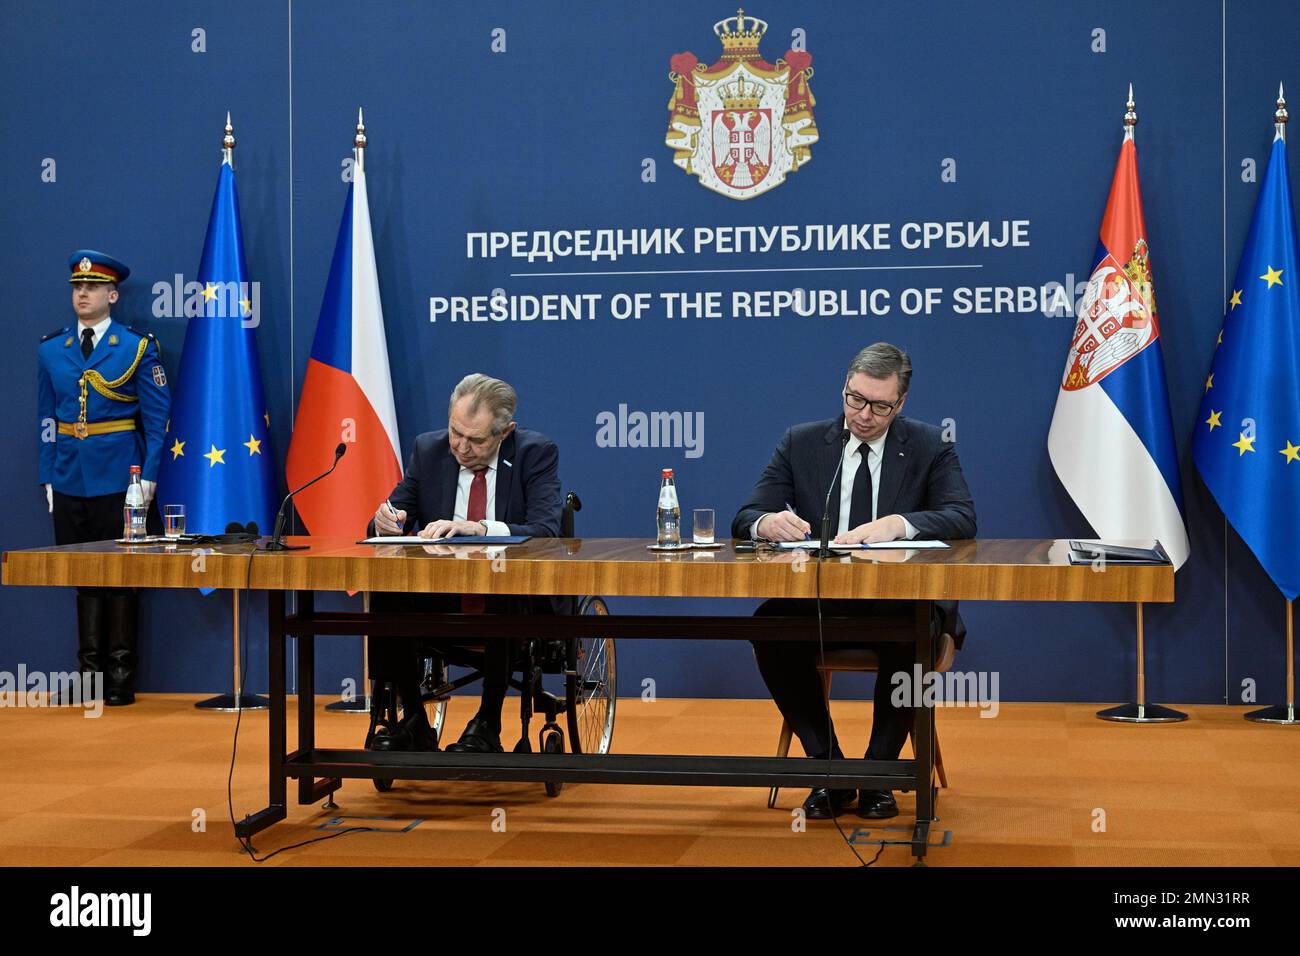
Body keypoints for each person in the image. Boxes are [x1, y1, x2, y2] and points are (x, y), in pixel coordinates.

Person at [731, 342, 976, 820]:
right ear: (844, 389)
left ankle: (879, 773)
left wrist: (898, 524)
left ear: (901, 403)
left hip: (898, 600)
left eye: (880, 406)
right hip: (820, 599)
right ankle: (828, 768)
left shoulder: (930, 445)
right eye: (855, 400)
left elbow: (962, 517)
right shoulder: (801, 442)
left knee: (917, 631)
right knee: (768, 627)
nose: (863, 415)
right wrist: (766, 524)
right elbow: (746, 515)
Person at [366, 373, 566, 753]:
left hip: (507, 596)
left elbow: (546, 530)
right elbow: (392, 515)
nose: (461, 446)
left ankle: (487, 723)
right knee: (388, 589)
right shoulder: (430, 450)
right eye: (456, 432)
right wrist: (384, 520)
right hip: (439, 594)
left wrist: (479, 529)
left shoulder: (533, 453)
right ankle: (413, 720)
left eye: (476, 439)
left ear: (506, 432)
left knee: (504, 587)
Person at [37, 250, 171, 706]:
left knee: (120, 576)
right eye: (77, 286)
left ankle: (119, 674)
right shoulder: (52, 348)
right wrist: (48, 477)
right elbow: (46, 421)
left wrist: (148, 478)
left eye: (92, 287)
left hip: (120, 478)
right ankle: (88, 674)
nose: (82, 293)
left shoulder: (135, 347)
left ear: (112, 295)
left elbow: (156, 420)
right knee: (82, 576)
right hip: (69, 477)